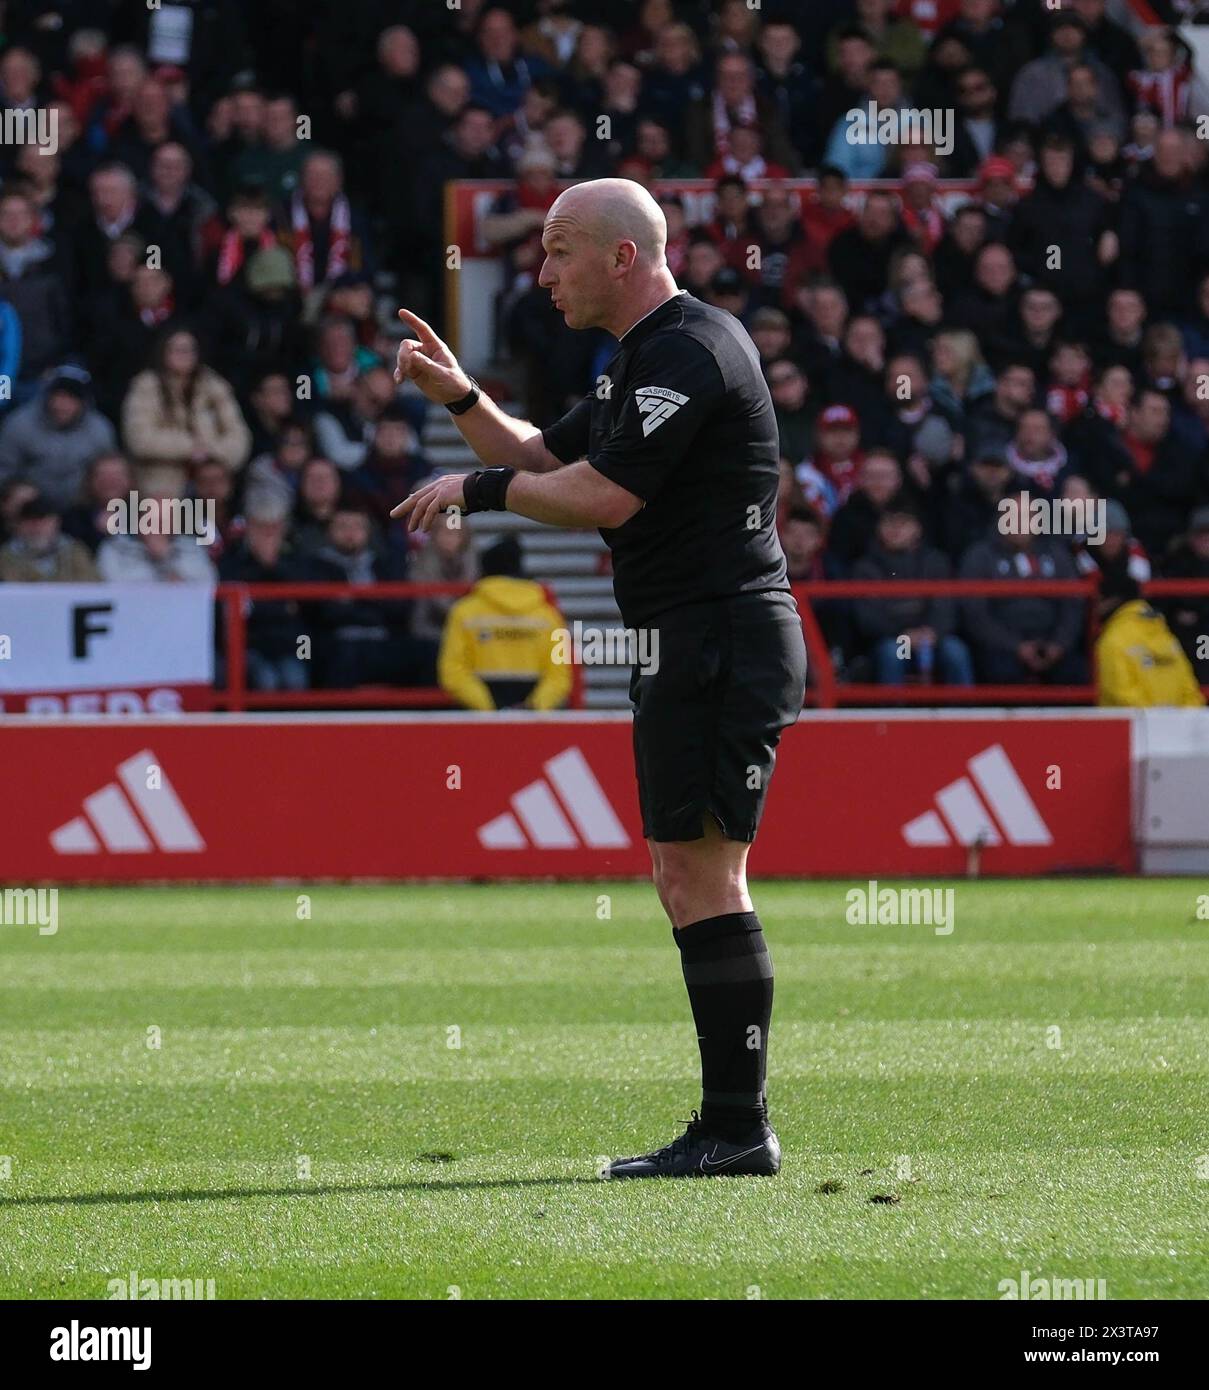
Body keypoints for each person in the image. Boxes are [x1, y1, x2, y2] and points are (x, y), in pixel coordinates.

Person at [392, 177, 807, 1180]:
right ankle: (731, 1125)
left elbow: (605, 495)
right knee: (684, 875)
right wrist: (459, 397)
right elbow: (541, 454)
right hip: (688, 638)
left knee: (704, 876)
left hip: (718, 636)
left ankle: (737, 1127)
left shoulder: (692, 351)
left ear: (624, 257)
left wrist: (478, 490)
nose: (542, 273)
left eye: (558, 250)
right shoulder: (640, 359)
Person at [437, 535, 571, 711]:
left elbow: (453, 672)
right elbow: (559, 676)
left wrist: (488, 708)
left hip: (477, 715)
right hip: (534, 718)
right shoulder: (548, 616)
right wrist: (532, 707)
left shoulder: (464, 612)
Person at [1095, 566, 1204, 707]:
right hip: (1175, 720)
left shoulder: (1112, 640)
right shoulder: (1166, 636)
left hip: (1134, 721)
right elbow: (1191, 693)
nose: (1096, 607)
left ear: (1110, 600)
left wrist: (1154, 717)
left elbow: (1120, 694)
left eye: (1099, 599)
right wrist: (1176, 718)